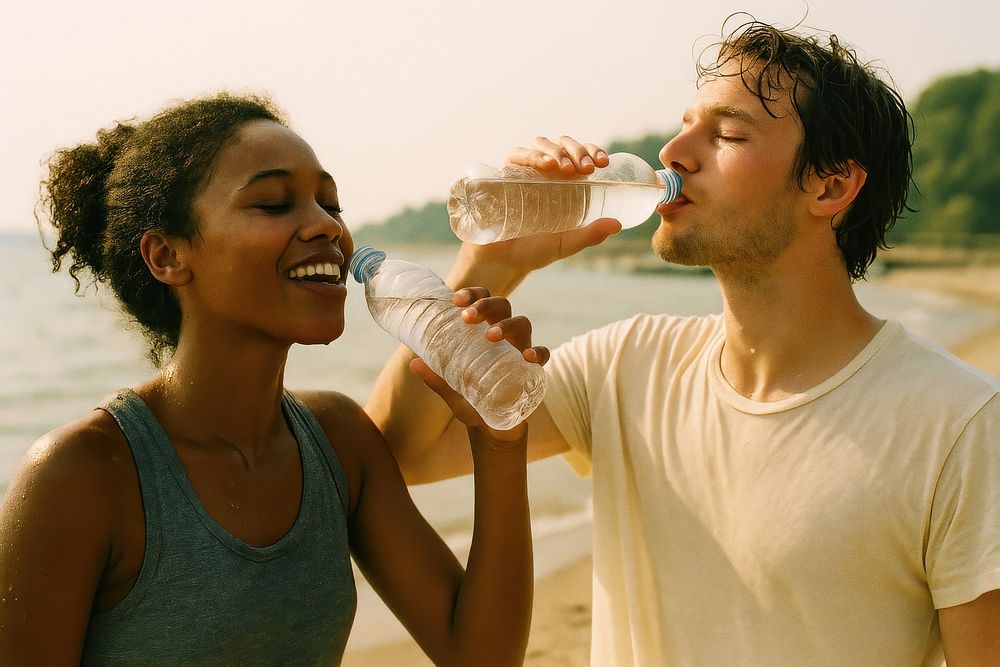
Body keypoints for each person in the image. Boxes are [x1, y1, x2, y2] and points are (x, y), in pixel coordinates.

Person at [366, 18, 1000, 665]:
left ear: (831, 184)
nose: (673, 151)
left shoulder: (959, 424)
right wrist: (487, 267)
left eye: (726, 133)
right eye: (685, 124)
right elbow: (397, 453)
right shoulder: (627, 365)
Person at [0, 93, 548, 665]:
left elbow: (481, 654)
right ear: (166, 256)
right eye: (272, 203)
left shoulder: (339, 441)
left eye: (330, 203)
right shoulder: (84, 472)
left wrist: (498, 439)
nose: (326, 227)